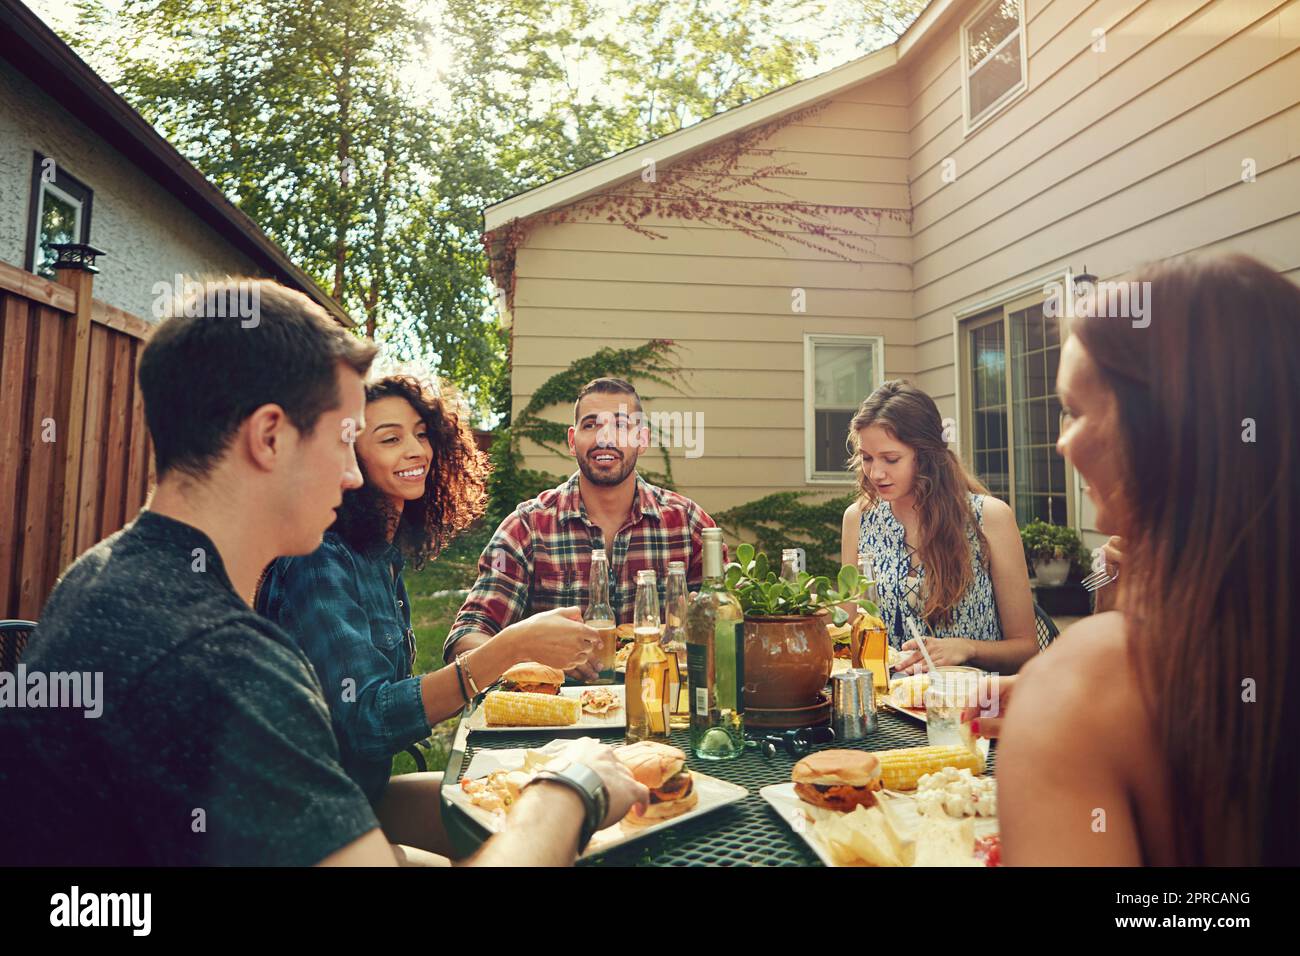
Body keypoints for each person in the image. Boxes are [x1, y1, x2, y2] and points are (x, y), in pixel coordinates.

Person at [0, 278, 645, 866]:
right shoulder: (223, 660)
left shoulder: (98, 576)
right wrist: (569, 788)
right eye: (345, 438)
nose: (353, 474)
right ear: (270, 438)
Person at [997, 253, 1299, 865]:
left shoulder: (1088, 691)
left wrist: (1052, 703)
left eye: (1074, 411)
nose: (1061, 442)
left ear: (1164, 426)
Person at [257, 373, 602, 851]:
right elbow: (367, 723)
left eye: (421, 434)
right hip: (304, 826)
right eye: (390, 439)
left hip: (361, 796)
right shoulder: (320, 559)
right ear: (347, 457)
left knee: (543, 815)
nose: (416, 450)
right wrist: (508, 649)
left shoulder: (379, 556)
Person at [446, 377, 722, 680]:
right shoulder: (527, 527)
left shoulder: (688, 525)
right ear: (571, 440)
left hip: (663, 712)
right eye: (591, 425)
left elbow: (732, 624)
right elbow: (466, 640)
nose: (605, 439)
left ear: (642, 440)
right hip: (558, 719)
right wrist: (532, 655)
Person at [840, 380, 1037, 675]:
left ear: (927, 456)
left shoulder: (990, 518)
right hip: (893, 706)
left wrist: (967, 647)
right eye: (867, 458)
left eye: (891, 459)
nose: (876, 473)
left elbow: (1025, 649)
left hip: (974, 706)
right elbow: (848, 633)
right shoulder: (858, 519)